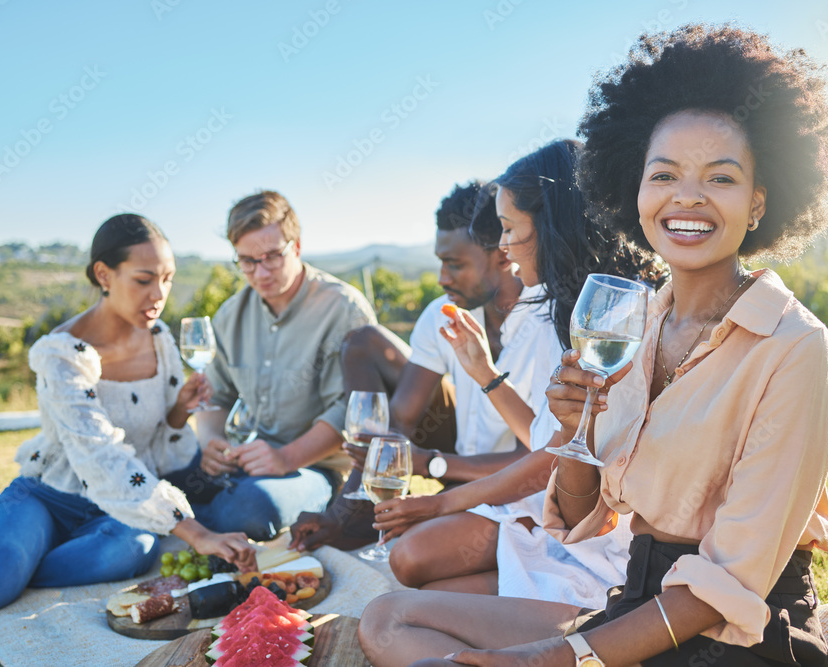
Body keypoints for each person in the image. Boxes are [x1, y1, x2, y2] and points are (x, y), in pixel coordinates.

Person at [359, 24, 828, 666]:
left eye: (720, 178)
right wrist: (574, 432)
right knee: (387, 618)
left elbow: (727, 581)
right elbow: (581, 516)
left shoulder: (796, 348)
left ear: (759, 202)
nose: (687, 196)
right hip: (631, 600)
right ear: (633, 191)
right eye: (663, 174)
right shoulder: (634, 328)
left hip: (727, 632)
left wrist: (563, 657)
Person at [375, 140, 662, 601]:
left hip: (599, 520)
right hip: (560, 498)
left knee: (413, 569)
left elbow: (552, 457)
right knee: (424, 582)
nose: (504, 247)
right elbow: (546, 437)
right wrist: (485, 374)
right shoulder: (559, 307)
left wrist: (440, 502)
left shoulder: (619, 318)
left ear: (550, 226)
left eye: (509, 229)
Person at [0, 215, 256, 619]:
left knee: (134, 549)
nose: (159, 294)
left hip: (115, 507)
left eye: (167, 279)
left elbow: (159, 447)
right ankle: (4, 571)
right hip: (49, 497)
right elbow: (100, 454)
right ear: (104, 274)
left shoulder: (160, 339)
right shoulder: (62, 354)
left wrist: (179, 410)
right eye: (144, 280)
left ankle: (17, 566)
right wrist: (197, 532)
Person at [288, 181, 560, 551]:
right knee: (362, 342)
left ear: (503, 254)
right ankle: (365, 517)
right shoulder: (443, 314)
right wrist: (343, 513)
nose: (442, 278)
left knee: (413, 554)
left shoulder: (549, 323)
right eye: (440, 262)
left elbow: (537, 457)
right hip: (457, 467)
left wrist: (431, 464)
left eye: (455, 264)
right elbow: (400, 422)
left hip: (522, 488)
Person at [191, 191, 377, 541]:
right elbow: (215, 395)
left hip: (312, 468)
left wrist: (286, 458)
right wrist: (211, 440)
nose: (260, 273)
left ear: (297, 246)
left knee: (250, 509)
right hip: (244, 460)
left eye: (272, 257)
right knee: (163, 474)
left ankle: (198, 520)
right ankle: (201, 517)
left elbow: (352, 409)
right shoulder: (230, 314)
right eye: (247, 261)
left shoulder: (344, 309)